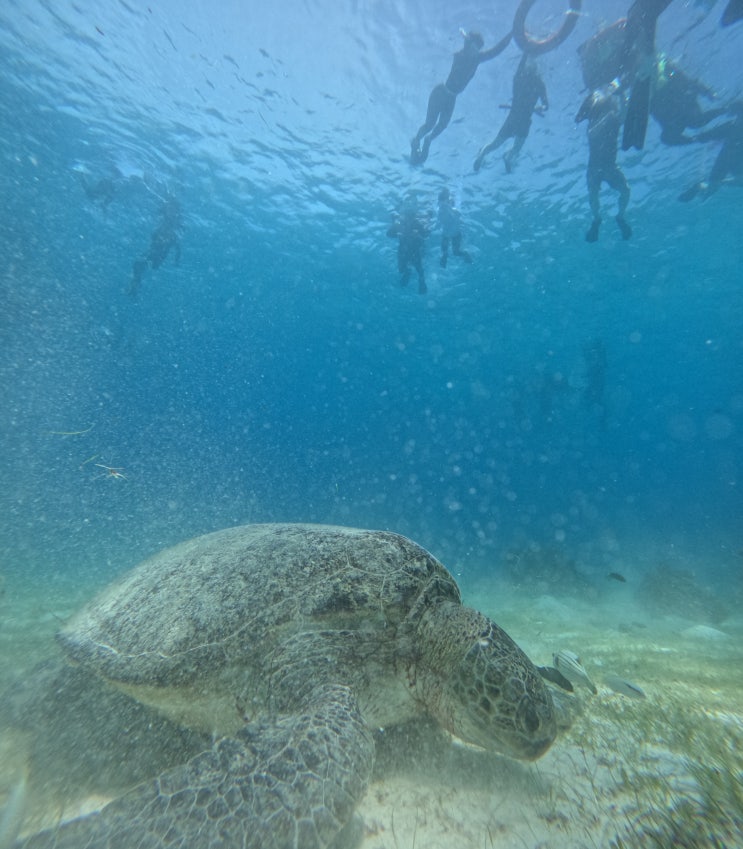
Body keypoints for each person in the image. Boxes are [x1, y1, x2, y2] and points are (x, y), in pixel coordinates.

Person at [410, 29, 511, 166]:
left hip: (452, 98)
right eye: (475, 47)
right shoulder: (460, 55)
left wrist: (512, 33)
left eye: (479, 48)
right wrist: (468, 39)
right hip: (441, 92)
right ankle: (416, 140)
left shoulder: (476, 59)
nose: (476, 51)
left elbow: (495, 51)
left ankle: (428, 140)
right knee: (430, 124)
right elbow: (467, 48)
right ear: (468, 44)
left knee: (443, 125)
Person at [575, 80, 632, 242]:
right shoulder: (595, 122)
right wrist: (607, 117)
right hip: (594, 166)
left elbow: (625, 113)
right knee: (593, 195)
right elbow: (592, 133)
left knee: (626, 190)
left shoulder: (613, 118)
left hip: (609, 165)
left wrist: (622, 95)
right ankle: (597, 219)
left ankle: (620, 216)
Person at [474, 53, 548, 173]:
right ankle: (506, 157)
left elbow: (546, 105)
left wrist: (527, 49)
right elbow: (546, 105)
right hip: (523, 120)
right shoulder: (535, 81)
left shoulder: (520, 77)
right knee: (516, 148)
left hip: (514, 117)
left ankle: (484, 155)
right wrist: (540, 107)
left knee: (497, 144)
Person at [650, 55, 727, 145]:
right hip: (673, 110)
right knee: (695, 123)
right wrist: (708, 93)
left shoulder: (671, 78)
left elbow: (690, 82)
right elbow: (691, 83)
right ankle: (726, 110)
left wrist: (708, 92)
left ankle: (726, 110)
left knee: (696, 122)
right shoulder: (655, 100)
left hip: (677, 106)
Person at [679, 102, 743, 201]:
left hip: (725, 158)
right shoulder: (730, 126)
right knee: (713, 189)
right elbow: (710, 134)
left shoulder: (730, 126)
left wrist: (697, 138)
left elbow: (710, 134)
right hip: (734, 160)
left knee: (710, 190)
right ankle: (706, 185)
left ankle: (701, 186)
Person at [129, 195, 182, 298]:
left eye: (171, 208)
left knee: (141, 263)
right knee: (138, 264)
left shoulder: (173, 229)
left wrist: (176, 260)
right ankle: (135, 285)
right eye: (168, 208)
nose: (169, 211)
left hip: (159, 253)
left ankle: (135, 285)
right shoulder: (165, 223)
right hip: (154, 250)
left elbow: (177, 245)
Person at [387, 204, 430, 294]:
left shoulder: (417, 224)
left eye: (411, 217)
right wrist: (397, 234)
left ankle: (421, 282)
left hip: (415, 249)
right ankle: (408, 271)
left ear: (414, 217)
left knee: (419, 269)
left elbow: (425, 234)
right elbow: (389, 234)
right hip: (403, 249)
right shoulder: (399, 224)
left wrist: (418, 233)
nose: (409, 220)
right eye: (407, 217)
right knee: (401, 269)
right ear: (404, 217)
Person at [436, 188, 472, 267]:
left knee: (455, 252)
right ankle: (445, 257)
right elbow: (440, 221)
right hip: (448, 234)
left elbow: (457, 217)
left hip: (455, 234)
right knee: (446, 252)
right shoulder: (442, 209)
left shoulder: (453, 211)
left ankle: (465, 253)